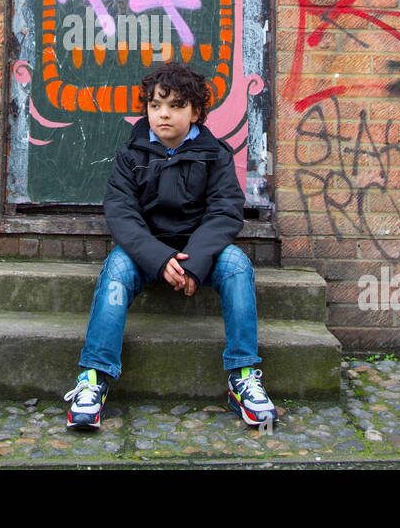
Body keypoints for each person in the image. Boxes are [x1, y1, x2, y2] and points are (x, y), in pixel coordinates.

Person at [64, 63, 277, 429]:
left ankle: (243, 377)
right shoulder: (131, 154)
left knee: (239, 266)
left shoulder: (215, 154)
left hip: (201, 253)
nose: (163, 114)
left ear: (195, 112)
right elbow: (121, 213)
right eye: (155, 105)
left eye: (176, 106)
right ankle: (93, 379)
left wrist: (193, 262)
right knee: (115, 269)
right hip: (145, 252)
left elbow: (226, 211)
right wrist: (159, 260)